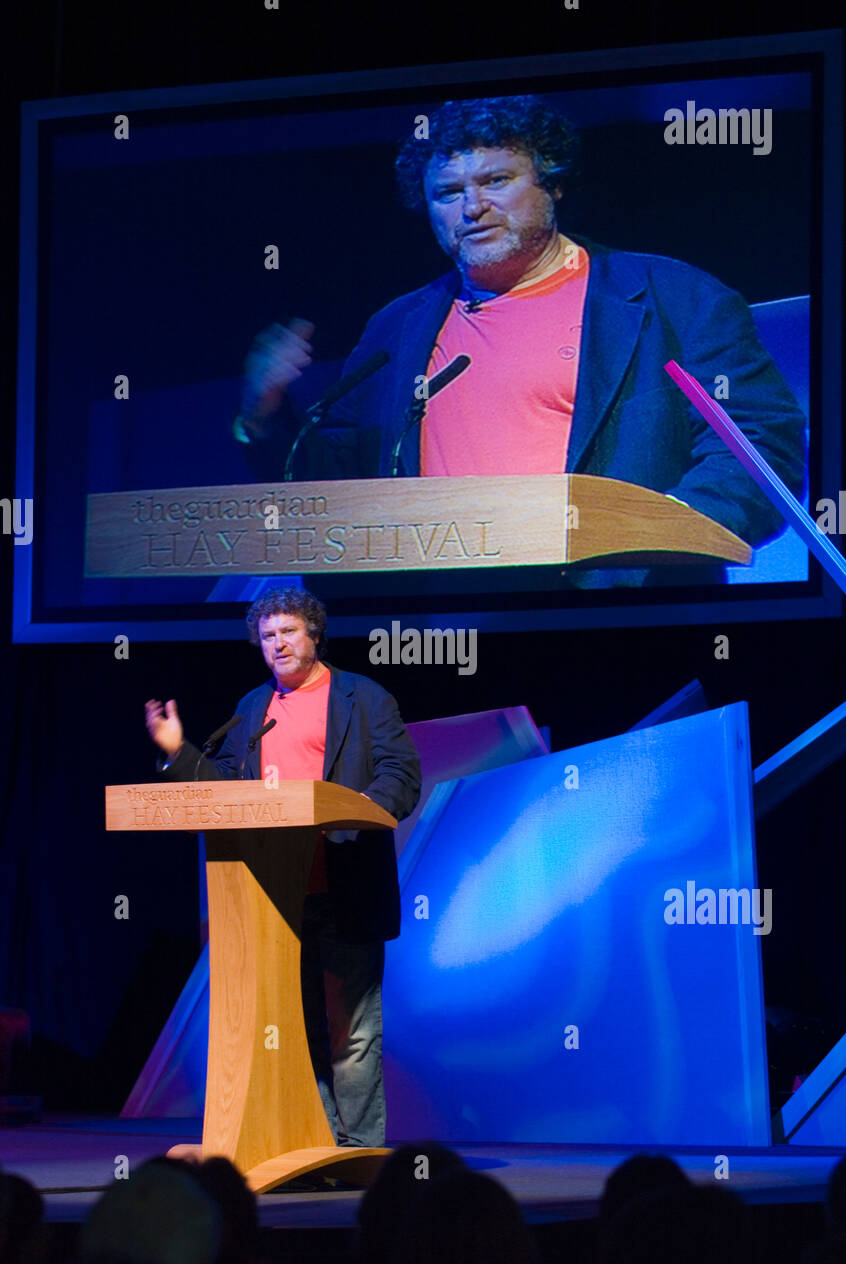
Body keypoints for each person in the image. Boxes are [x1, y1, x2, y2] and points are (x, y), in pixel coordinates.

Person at [235, 95, 806, 586]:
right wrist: (265, 416)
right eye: (448, 192)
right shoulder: (394, 327)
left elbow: (759, 447)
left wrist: (657, 529)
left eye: (496, 180)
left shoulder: (676, 297)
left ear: (552, 184)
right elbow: (340, 489)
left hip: (621, 605)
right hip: (443, 615)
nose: (472, 207)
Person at [144, 587, 421, 1149]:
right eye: (267, 637)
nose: (278, 644)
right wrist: (179, 752)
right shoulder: (253, 707)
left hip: (346, 881)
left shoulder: (363, 697)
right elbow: (223, 788)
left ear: (315, 634)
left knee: (353, 1031)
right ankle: (315, 1142)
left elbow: (401, 772)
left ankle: (360, 1150)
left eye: (289, 632)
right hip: (273, 894)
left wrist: (355, 815)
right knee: (295, 1032)